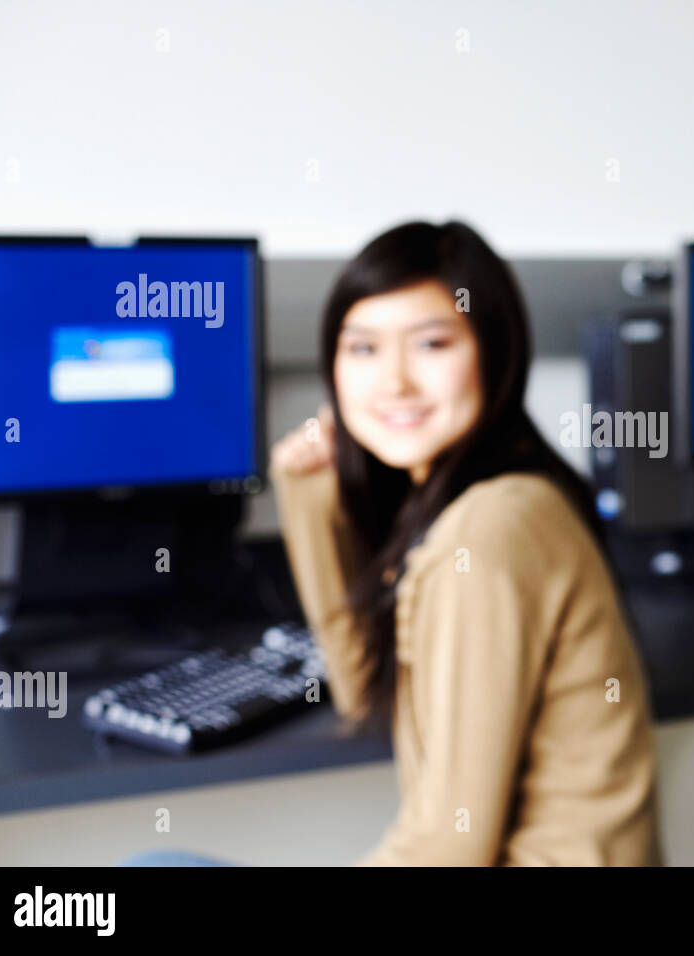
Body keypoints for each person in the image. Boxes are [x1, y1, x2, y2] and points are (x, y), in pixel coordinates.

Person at [269, 220, 662, 865]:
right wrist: (308, 492)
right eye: (362, 349)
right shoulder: (480, 504)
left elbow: (449, 846)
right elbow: (360, 684)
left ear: (494, 351)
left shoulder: (486, 532)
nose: (393, 383)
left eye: (430, 344)